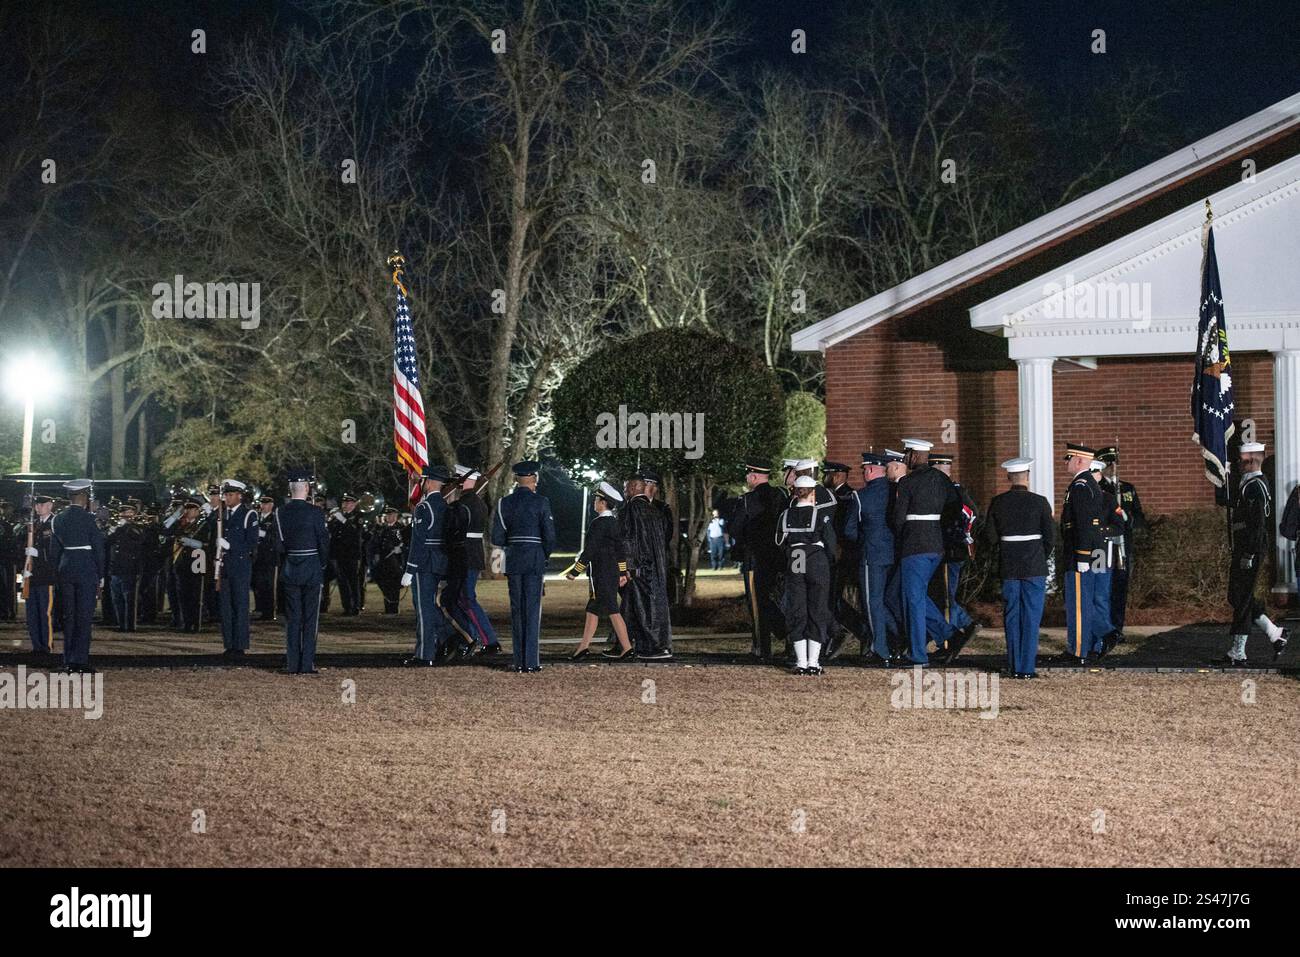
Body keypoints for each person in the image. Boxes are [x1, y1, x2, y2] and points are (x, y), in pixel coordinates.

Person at [891, 438, 967, 665]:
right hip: (936, 544)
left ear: (914, 456)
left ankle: (917, 654)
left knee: (913, 599)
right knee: (919, 596)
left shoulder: (907, 482)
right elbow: (955, 510)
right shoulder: (942, 480)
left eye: (907, 454)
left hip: (915, 545)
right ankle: (949, 634)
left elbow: (898, 519)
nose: (905, 458)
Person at [1221, 441, 1290, 665]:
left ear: (1251, 459)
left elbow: (1258, 523)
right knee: (1239, 596)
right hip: (1245, 547)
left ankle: (1238, 651)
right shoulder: (1249, 483)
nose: (1239, 463)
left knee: (1241, 598)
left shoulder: (1256, 485)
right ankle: (1275, 633)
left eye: (1242, 459)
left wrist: (1249, 553)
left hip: (1250, 549)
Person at [985, 458, 1055, 678]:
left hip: (1009, 564)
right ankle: (1027, 668)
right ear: (1027, 476)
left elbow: (990, 536)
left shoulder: (998, 502)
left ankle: (1014, 665)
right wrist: (1039, 554)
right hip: (1034, 564)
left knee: (1012, 615)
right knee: (1031, 616)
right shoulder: (1040, 502)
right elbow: (1051, 538)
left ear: (1008, 477)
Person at [491, 460, 557, 673]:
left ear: (516, 479)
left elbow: (497, 536)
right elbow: (549, 536)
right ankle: (531, 661)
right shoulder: (542, 502)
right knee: (532, 610)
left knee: (517, 610)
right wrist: (544, 556)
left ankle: (519, 661)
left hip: (514, 559)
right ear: (534, 479)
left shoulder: (504, 503)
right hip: (534, 559)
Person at [566, 481, 633, 660]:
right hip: (611, 572)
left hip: (601, 573)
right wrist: (622, 573)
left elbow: (590, 550)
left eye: (596, 500)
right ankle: (584, 647)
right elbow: (620, 551)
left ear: (603, 503)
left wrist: (575, 570)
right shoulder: (613, 522)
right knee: (593, 608)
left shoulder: (599, 523)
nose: (594, 502)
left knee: (611, 608)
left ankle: (627, 648)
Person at [777, 475, 837, 675]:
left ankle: (801, 661)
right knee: (817, 606)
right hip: (816, 557)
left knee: (797, 606)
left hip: (796, 555)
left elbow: (779, 542)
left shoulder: (786, 514)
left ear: (795, 492)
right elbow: (830, 541)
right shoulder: (818, 514)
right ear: (812, 493)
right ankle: (814, 662)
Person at [275, 468, 330, 674]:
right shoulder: (316, 512)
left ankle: (292, 663)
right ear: (306, 488)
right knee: (310, 619)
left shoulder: (280, 512)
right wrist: (321, 564)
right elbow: (323, 542)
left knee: (293, 618)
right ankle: (307, 664)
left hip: (291, 567)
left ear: (291, 489)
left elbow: (279, 545)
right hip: (312, 566)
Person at [442, 465, 501, 658]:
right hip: (471, 554)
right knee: (451, 599)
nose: (456, 482)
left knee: (466, 598)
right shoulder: (476, 502)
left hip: (464, 555)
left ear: (466, 480)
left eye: (459, 479)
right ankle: (475, 636)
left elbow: (453, 529)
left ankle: (489, 640)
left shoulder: (463, 504)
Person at [731, 460, 788, 659]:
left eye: (748, 475)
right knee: (777, 599)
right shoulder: (781, 495)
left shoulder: (747, 500)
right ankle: (787, 635)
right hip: (778, 556)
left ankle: (762, 647)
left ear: (753, 476)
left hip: (755, 558)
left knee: (757, 603)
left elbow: (736, 529)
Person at [49, 479, 106, 673]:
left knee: (69, 616)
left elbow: (54, 551)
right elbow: (99, 549)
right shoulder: (89, 519)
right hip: (86, 569)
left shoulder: (58, 519)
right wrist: (101, 574)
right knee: (84, 616)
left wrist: (56, 573)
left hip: (65, 569)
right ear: (83, 497)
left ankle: (67, 660)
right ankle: (79, 661)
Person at [401, 465, 456, 666]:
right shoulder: (444, 505)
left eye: (423, 480)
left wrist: (409, 569)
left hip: (424, 564)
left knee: (423, 609)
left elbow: (418, 542)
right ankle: (448, 636)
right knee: (430, 605)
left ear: (430, 482)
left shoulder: (425, 507)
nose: (422, 484)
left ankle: (425, 654)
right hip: (439, 561)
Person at [844, 452, 896, 664]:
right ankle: (898, 638)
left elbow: (849, 530)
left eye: (865, 469)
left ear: (873, 470)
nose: (864, 473)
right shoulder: (895, 491)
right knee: (884, 601)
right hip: (891, 552)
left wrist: (861, 541)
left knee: (872, 601)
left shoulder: (862, 496)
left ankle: (880, 648)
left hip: (870, 553)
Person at [1059, 442, 1106, 664]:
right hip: (1084, 551)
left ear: (1078, 460)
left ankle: (1078, 650)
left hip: (1079, 553)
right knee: (1086, 601)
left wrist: (1083, 555)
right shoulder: (1087, 483)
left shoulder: (1080, 485)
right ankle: (1090, 644)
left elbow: (1085, 524)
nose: (1066, 463)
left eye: (1068, 459)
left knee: (1078, 603)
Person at [1094, 446, 1146, 642]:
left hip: (1124, 546)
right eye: (1109, 463)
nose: (1113, 466)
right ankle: (1105, 629)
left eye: (1115, 462)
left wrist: (1129, 518)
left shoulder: (1127, 489)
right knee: (1103, 589)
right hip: (1104, 546)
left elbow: (1140, 518)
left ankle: (1117, 628)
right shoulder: (1098, 489)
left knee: (1120, 589)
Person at [931, 453, 978, 636]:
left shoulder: (949, 490)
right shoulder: (954, 489)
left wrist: (959, 534)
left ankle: (957, 631)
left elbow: (971, 514)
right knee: (940, 594)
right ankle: (963, 625)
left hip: (948, 550)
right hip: (950, 549)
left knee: (945, 597)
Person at [215, 479, 259, 659]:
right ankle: (229, 644)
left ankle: (240, 644)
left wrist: (230, 545)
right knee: (226, 607)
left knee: (240, 606)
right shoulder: (222, 515)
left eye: (231, 495)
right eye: (225, 495)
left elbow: (251, 543)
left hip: (240, 566)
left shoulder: (249, 515)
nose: (227, 498)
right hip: (225, 566)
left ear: (239, 496)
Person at [822, 460, 861, 660]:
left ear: (837, 476)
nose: (824, 478)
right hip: (833, 554)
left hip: (841, 555)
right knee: (831, 600)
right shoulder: (834, 495)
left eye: (827, 474)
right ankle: (847, 632)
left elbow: (845, 528)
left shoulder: (847, 496)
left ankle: (847, 632)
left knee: (830, 599)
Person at [22, 494, 58, 655]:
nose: (38, 508)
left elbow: (55, 551)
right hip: (33, 575)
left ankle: (46, 645)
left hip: (46, 575)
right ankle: (37, 645)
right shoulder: (34, 525)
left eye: (41, 505)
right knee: (32, 614)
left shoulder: (55, 524)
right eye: (36, 505)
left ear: (50, 506)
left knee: (45, 612)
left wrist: (38, 553)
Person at [105, 501, 148, 632]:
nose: (124, 515)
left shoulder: (137, 527)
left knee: (129, 599)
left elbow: (139, 539)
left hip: (130, 568)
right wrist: (112, 530)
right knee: (117, 599)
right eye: (122, 512)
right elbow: (107, 542)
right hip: (116, 568)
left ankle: (130, 626)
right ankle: (121, 624)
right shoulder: (118, 528)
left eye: (127, 512)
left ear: (133, 514)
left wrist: (122, 527)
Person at [328, 493, 365, 615]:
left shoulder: (358, 516)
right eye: (344, 502)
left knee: (353, 581)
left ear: (354, 504)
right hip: (339, 554)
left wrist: (342, 520)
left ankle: (355, 607)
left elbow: (355, 532)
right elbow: (332, 533)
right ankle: (346, 606)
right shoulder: (339, 516)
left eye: (348, 503)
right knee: (342, 581)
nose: (345, 505)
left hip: (352, 554)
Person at [368, 506, 408, 614]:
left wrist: (400, 549)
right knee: (384, 583)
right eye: (387, 515)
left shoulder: (401, 528)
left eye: (390, 515)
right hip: (383, 561)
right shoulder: (381, 528)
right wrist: (375, 554)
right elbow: (375, 543)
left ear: (395, 516)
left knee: (394, 585)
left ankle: (393, 608)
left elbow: (407, 543)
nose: (388, 517)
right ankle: (388, 607)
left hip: (395, 561)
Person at [252, 494, 279, 621]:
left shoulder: (274, 519)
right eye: (262, 504)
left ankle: (269, 611)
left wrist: (264, 534)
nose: (264, 506)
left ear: (271, 505)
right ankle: (260, 607)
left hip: (269, 556)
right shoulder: (257, 517)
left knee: (269, 585)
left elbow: (276, 537)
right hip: (258, 556)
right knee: (258, 583)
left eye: (266, 504)